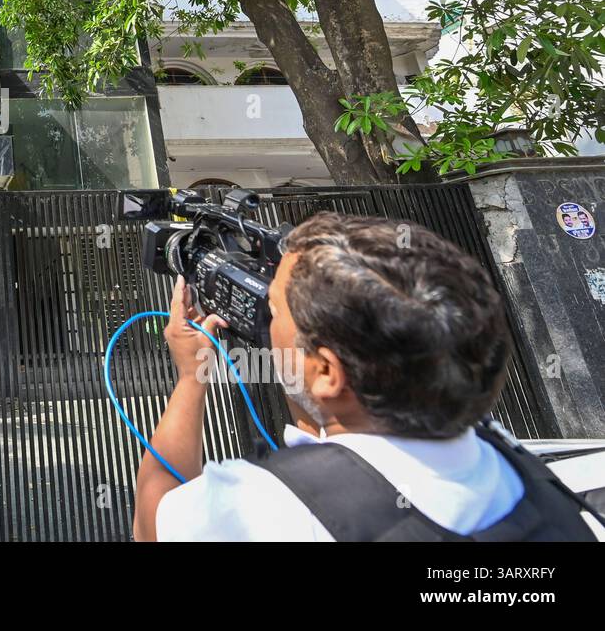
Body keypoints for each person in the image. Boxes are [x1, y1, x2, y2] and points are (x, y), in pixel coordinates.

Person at [136, 213, 598, 542]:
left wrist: (190, 376)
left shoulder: (275, 509)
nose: (263, 318)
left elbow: (153, 518)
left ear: (327, 372)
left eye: (272, 309)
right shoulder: (508, 459)